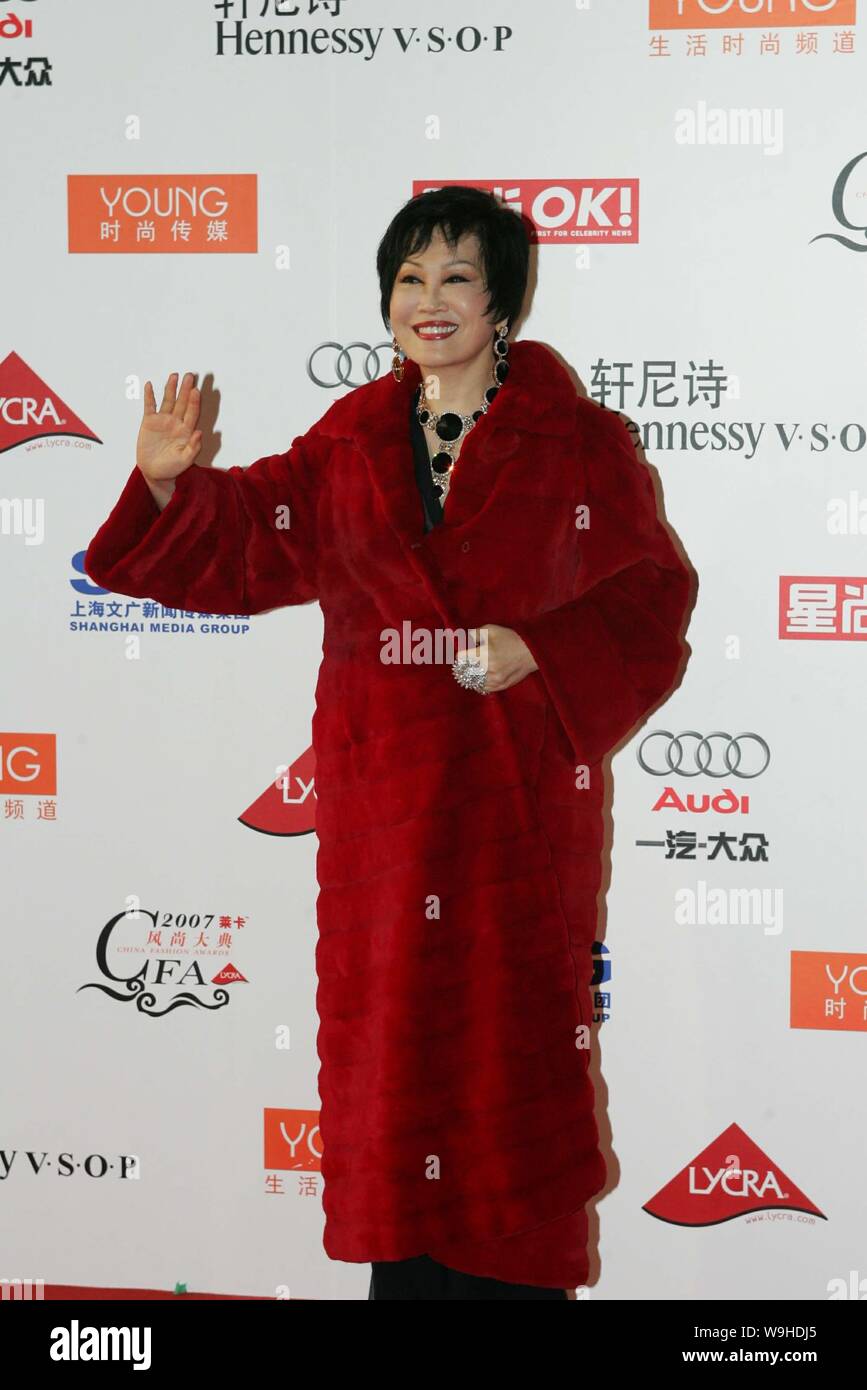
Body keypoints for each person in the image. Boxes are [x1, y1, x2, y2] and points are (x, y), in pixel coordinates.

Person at [84, 186, 694, 1301]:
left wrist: (539, 648)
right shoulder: (352, 442)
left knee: (507, 1083)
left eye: (457, 275)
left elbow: (653, 597)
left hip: (512, 823)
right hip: (386, 828)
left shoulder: (578, 443)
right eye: (409, 278)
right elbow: (248, 540)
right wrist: (169, 485)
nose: (430, 299)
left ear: (502, 298)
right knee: (397, 1079)